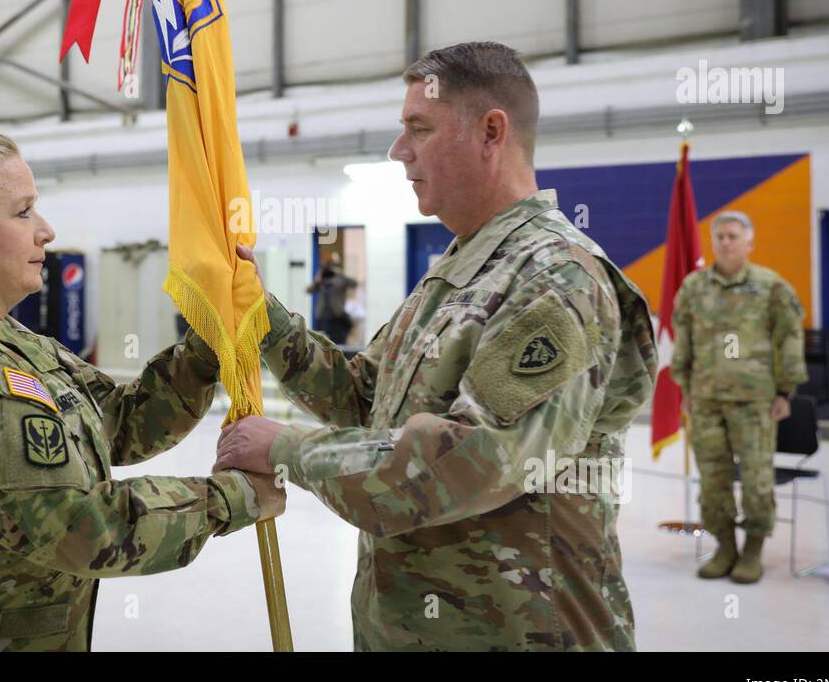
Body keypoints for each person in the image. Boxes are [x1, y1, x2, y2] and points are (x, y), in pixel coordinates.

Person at [216, 42, 658, 651]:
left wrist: (287, 449)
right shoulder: (460, 268)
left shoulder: (556, 278)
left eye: (418, 129)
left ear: (490, 132)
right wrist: (260, 318)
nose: (399, 152)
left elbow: (474, 460)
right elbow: (366, 396)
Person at [0, 130, 282, 651]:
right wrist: (234, 497)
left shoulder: (4, 341)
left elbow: (121, 421)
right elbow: (78, 528)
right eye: (22, 212)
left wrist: (211, 340)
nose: (46, 231)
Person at [671, 211, 808, 584]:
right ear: (712, 243)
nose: (726, 243)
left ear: (749, 242)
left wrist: (785, 390)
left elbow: (790, 338)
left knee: (756, 478)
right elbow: (683, 339)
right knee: (713, 479)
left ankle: (753, 550)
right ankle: (725, 546)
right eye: (720, 237)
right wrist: (683, 387)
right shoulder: (694, 288)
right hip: (706, 399)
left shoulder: (770, 287)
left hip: (754, 401)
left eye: (733, 236)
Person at [306, 256, 358, 344]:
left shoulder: (340, 278)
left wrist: (340, 274)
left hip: (337, 317)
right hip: (323, 317)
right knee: (323, 344)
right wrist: (318, 280)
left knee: (339, 344)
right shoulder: (321, 280)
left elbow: (354, 284)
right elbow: (309, 290)